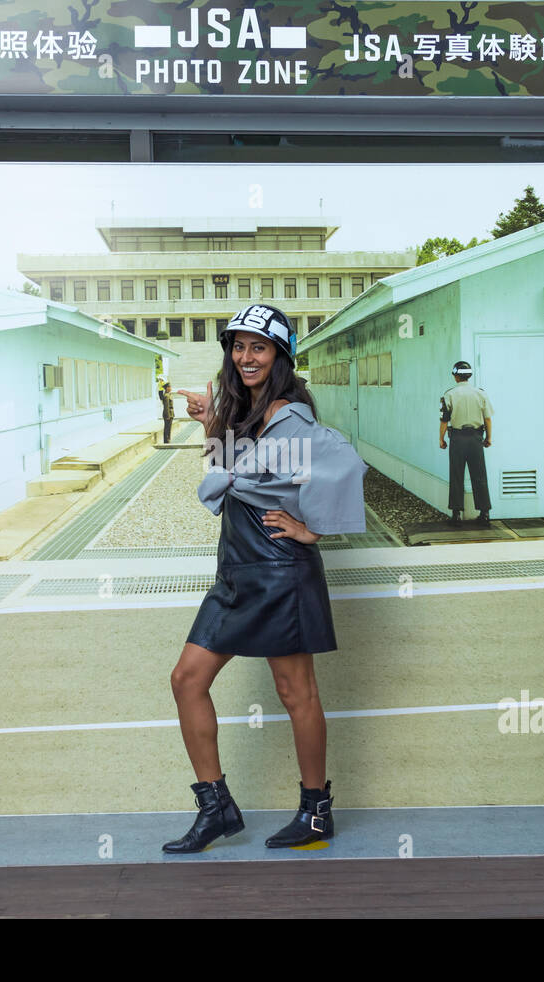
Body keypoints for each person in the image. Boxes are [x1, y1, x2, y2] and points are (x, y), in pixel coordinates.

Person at [164, 304, 367, 854]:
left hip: (278, 568)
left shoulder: (289, 414)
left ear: (279, 354)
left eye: (259, 346)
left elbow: (342, 465)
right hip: (237, 566)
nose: (246, 357)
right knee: (187, 679)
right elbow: (237, 477)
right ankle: (216, 807)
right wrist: (213, 424)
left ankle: (316, 811)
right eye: (238, 346)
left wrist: (313, 530)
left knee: (294, 691)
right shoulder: (248, 410)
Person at [439, 360, 494, 528]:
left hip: (457, 438)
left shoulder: (449, 394)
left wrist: (441, 439)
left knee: (456, 475)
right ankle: (484, 514)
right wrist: (488, 438)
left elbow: (444, 420)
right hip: (476, 438)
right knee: (479, 475)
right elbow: (487, 419)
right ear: (469, 375)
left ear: (456, 376)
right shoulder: (481, 393)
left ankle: (456, 515)